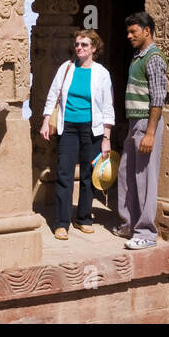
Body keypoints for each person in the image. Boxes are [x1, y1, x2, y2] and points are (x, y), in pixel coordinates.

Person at [38, 30, 114, 241]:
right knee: (64, 173)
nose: (79, 48)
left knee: (89, 175)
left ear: (94, 48)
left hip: (92, 129)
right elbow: (53, 95)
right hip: (68, 127)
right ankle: (61, 223)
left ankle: (83, 218)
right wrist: (46, 121)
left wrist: (106, 138)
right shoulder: (67, 67)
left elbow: (108, 106)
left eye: (84, 45)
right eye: (78, 44)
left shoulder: (102, 73)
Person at [117, 11, 168, 250]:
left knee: (145, 179)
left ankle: (146, 234)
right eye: (128, 32)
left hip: (146, 123)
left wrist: (150, 132)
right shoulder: (138, 57)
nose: (129, 36)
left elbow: (158, 98)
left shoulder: (154, 58)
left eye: (133, 32)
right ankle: (129, 224)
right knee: (126, 174)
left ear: (147, 31)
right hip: (134, 123)